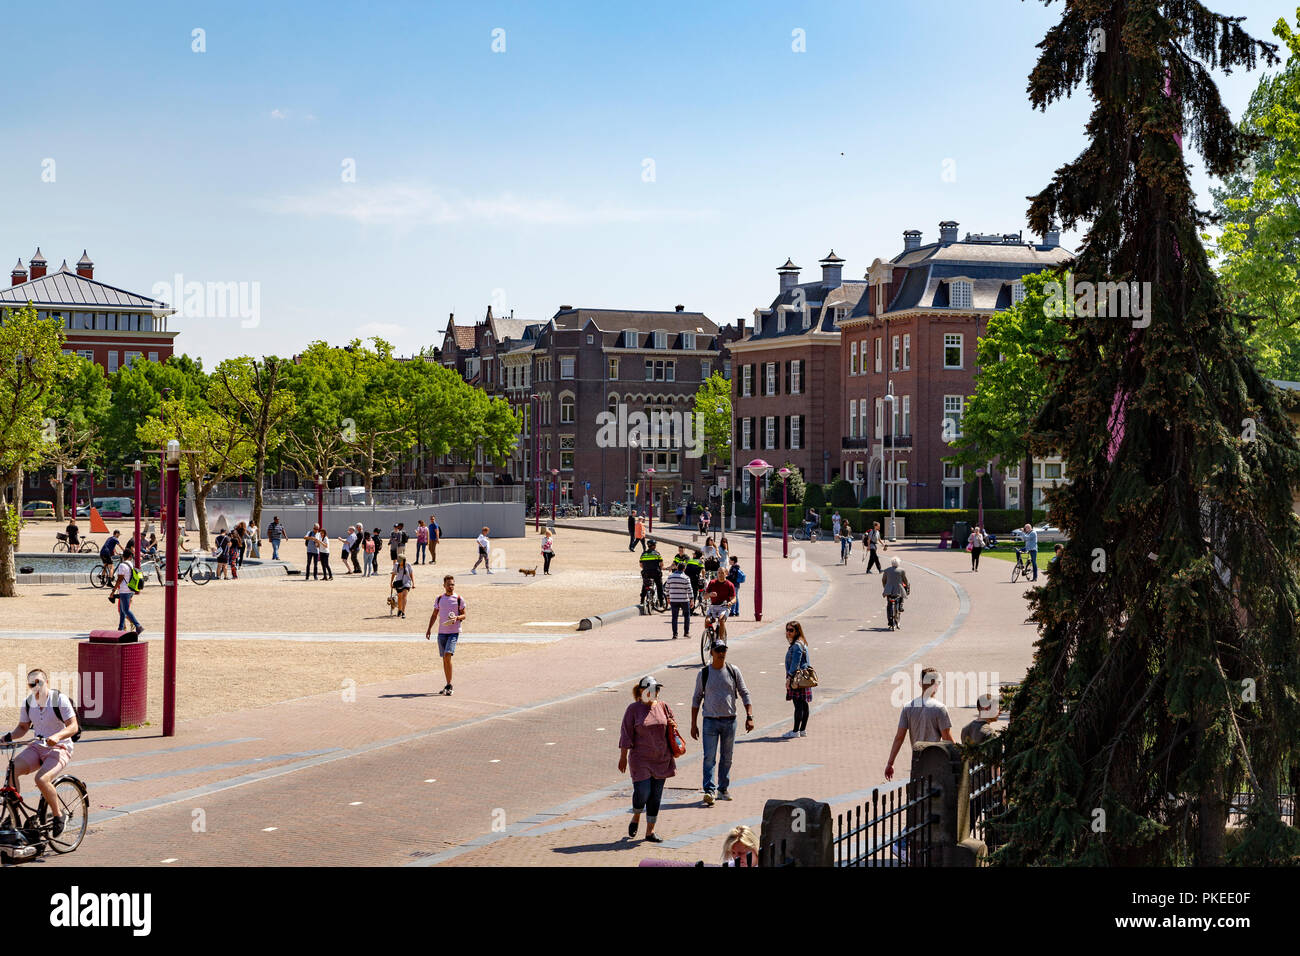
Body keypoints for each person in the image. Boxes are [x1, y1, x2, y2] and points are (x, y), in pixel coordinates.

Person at [2, 669, 79, 838]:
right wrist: (5, 738)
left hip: (60, 748)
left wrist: (57, 736)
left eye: (39, 682)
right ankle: (13, 817)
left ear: (46, 682)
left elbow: (73, 726)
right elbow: (22, 728)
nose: (36, 686)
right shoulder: (29, 702)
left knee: (41, 779)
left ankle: (59, 816)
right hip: (38, 746)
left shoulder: (59, 699)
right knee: (12, 768)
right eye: (32, 683)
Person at [691, 639, 753, 806]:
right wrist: (693, 724)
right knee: (709, 758)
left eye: (723, 649)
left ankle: (723, 789)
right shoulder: (704, 673)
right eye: (718, 650)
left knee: (727, 757)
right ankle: (709, 791)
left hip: (730, 721)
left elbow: (744, 693)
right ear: (711, 652)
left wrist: (750, 716)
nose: (721, 653)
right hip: (709, 721)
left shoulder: (733, 671)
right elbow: (696, 699)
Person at [618, 676, 678, 843]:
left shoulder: (664, 707)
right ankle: (636, 816)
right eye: (651, 690)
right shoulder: (633, 709)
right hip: (640, 760)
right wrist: (623, 757)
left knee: (656, 796)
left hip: (661, 758)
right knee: (643, 792)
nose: (655, 693)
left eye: (656, 690)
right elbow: (626, 734)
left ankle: (650, 832)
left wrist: (672, 725)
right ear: (643, 691)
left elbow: (672, 728)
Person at [884, 667, 953, 780]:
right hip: (935, 759)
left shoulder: (908, 707)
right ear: (936, 685)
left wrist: (890, 763)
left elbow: (899, 738)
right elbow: (947, 739)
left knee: (918, 794)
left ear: (920, 684)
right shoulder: (940, 708)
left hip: (917, 760)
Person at [426, 574, 466, 696]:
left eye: (452, 584)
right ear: (444, 585)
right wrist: (429, 629)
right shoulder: (439, 599)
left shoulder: (459, 598)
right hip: (441, 633)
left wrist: (457, 618)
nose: (451, 587)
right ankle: (447, 683)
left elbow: (464, 615)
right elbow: (434, 615)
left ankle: (449, 684)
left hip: (453, 633)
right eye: (448, 584)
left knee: (448, 655)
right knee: (444, 659)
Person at [783, 621, 811, 738]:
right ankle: (802, 730)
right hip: (804, 678)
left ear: (797, 631)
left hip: (797, 679)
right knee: (804, 705)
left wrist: (789, 678)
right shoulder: (802, 643)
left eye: (791, 630)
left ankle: (795, 731)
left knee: (798, 705)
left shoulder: (797, 646)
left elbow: (795, 664)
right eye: (787, 630)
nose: (788, 633)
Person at [113, 544, 143, 634]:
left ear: (123, 556)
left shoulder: (122, 565)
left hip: (124, 590)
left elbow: (120, 579)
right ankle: (120, 628)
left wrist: (113, 590)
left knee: (125, 610)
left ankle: (138, 626)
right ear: (130, 556)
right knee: (122, 611)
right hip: (130, 589)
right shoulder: (131, 564)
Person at [664, 560, 693, 639]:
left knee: (674, 617)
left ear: (677, 568)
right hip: (684, 600)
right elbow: (689, 589)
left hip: (674, 599)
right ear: (684, 569)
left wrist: (668, 597)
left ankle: (675, 634)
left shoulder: (670, 577)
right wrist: (692, 599)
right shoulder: (686, 578)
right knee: (686, 616)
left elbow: (666, 588)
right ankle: (686, 633)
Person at [704, 568, 734, 641]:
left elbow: (734, 598)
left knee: (721, 620)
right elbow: (705, 596)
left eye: (722, 573)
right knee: (707, 621)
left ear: (725, 574)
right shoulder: (712, 583)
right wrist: (710, 594)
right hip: (713, 607)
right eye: (719, 573)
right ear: (717, 574)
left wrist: (731, 602)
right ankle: (710, 639)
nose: (720, 575)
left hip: (724, 607)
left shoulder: (729, 584)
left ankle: (721, 640)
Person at [881, 556, 910, 626]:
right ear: (898, 563)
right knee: (902, 595)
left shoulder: (887, 570)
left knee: (889, 605)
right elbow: (905, 580)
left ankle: (889, 620)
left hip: (889, 590)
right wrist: (907, 585)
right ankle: (900, 606)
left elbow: (883, 580)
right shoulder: (902, 570)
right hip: (898, 589)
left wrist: (885, 587)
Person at [638, 539, 664, 604]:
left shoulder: (643, 554)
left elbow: (641, 565)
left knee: (645, 584)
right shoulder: (657, 554)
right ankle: (661, 601)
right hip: (656, 573)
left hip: (646, 573)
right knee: (659, 586)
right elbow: (661, 564)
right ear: (654, 546)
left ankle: (642, 599)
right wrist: (660, 569)